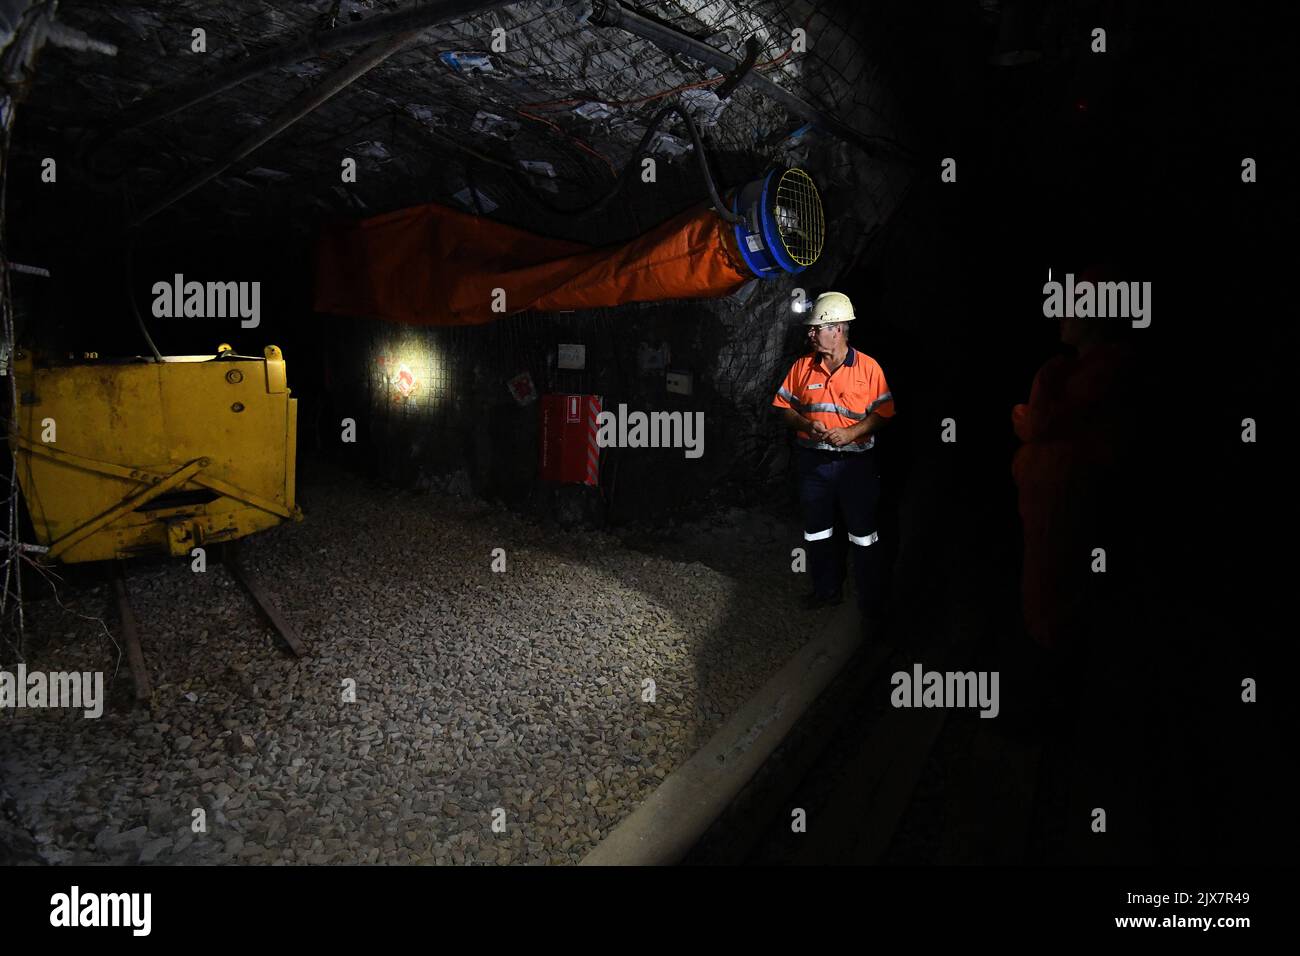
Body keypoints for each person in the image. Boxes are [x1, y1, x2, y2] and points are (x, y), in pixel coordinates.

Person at [772, 291, 895, 633]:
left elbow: (884, 413)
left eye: (817, 329)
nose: (810, 334)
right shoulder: (802, 367)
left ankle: (872, 603)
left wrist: (853, 432)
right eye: (811, 330)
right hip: (814, 464)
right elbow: (783, 408)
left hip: (857, 466)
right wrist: (806, 423)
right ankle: (826, 591)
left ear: (838, 329)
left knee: (863, 537)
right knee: (817, 532)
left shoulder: (869, 369)